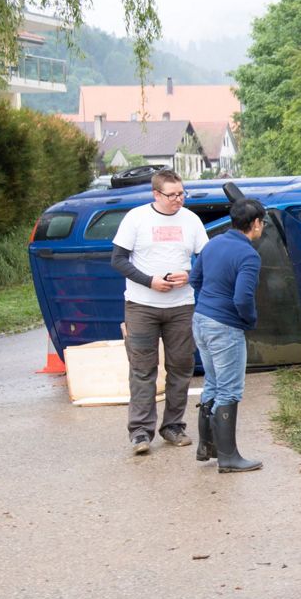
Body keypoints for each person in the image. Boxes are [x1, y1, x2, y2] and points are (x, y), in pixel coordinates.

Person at [110, 170, 208, 456]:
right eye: (171, 195)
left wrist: (189, 275)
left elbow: (205, 257)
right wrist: (149, 281)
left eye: (181, 193)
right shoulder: (136, 218)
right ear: (156, 194)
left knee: (180, 367)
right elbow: (117, 260)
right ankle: (140, 432)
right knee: (143, 369)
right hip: (141, 306)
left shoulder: (191, 220)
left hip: (180, 307)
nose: (178, 200)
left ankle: (173, 426)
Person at [190, 198, 265, 473]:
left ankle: (206, 446)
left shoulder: (213, 244)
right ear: (255, 223)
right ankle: (228, 457)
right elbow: (243, 297)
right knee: (230, 389)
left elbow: (194, 280)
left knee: (213, 382)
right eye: (262, 222)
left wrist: (210, 303)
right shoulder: (248, 255)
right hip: (224, 326)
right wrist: (249, 320)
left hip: (201, 320)